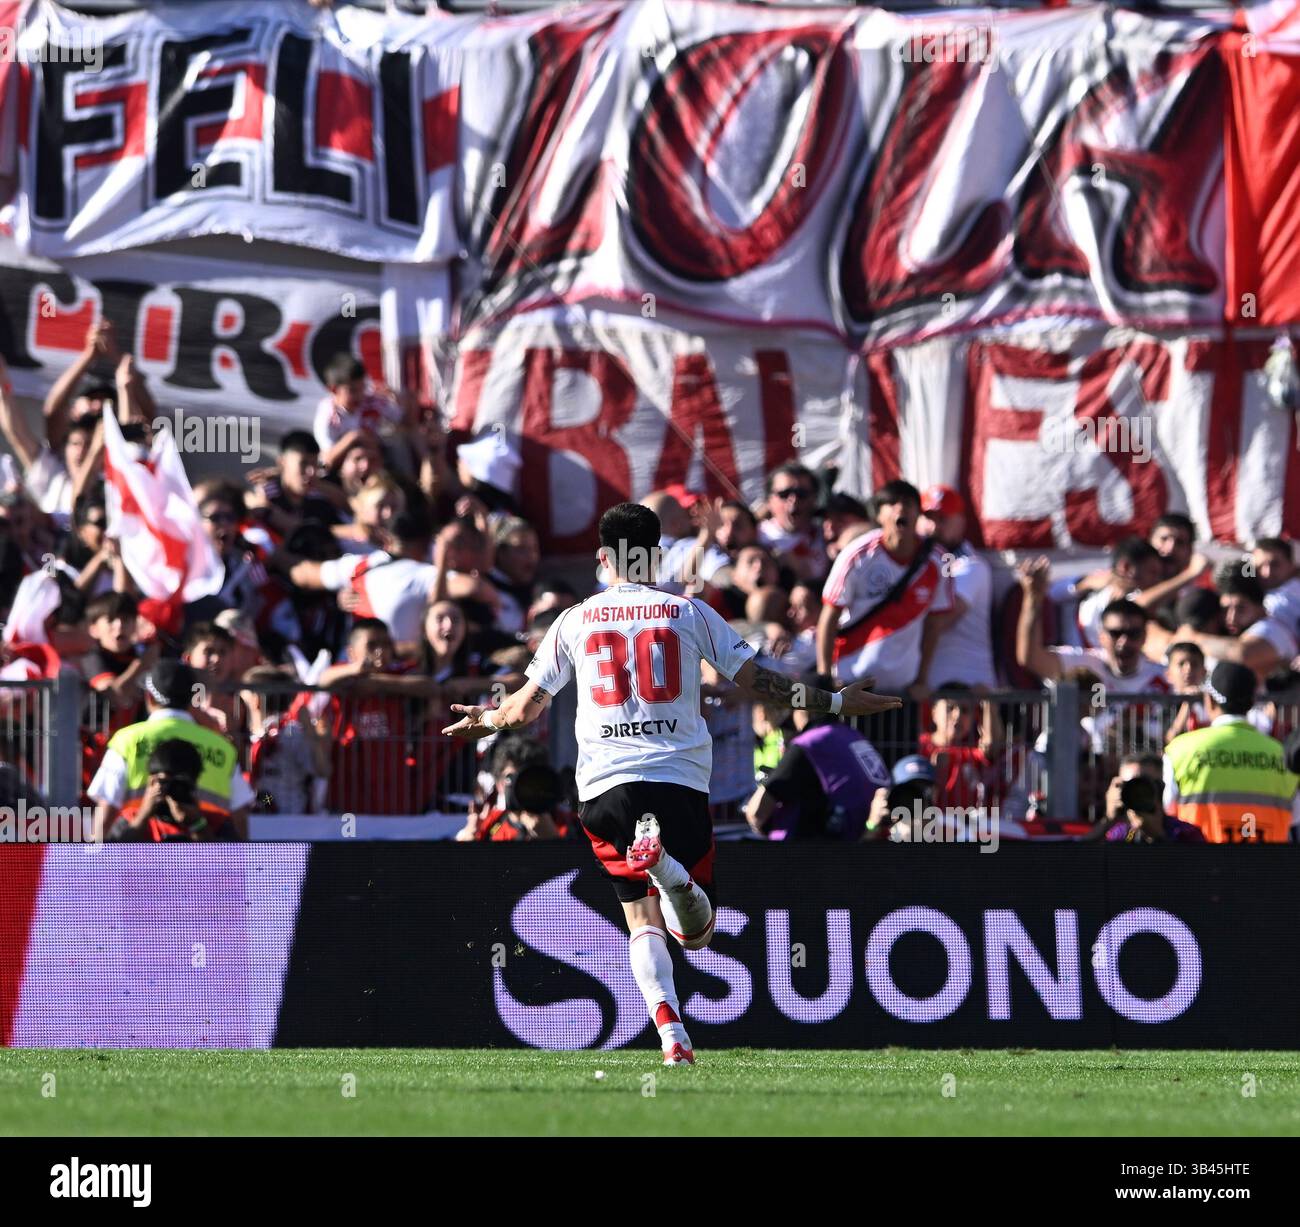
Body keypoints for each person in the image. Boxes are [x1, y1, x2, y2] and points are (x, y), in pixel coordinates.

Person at [442, 501, 900, 1066]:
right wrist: (833, 700)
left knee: (640, 919)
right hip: (678, 784)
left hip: (605, 791)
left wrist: (482, 720)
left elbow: (522, 711)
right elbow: (760, 682)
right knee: (697, 935)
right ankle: (667, 870)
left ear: (603, 559)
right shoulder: (688, 612)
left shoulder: (574, 620)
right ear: (656, 556)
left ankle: (671, 1033)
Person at [88, 659, 254, 840]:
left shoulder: (126, 741)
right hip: (204, 859)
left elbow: (105, 813)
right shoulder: (222, 749)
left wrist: (96, 861)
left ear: (149, 697)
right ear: (192, 699)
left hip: (140, 856)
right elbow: (240, 821)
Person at [1163, 660, 1298, 843]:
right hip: (1266, 868)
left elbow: (1165, 809)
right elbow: (1295, 817)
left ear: (1209, 700)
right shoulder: (1282, 755)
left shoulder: (1179, 750)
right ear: (1252, 702)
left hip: (1199, 866)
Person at [743, 697, 889, 839]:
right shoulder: (853, 735)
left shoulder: (810, 742)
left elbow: (756, 813)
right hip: (864, 829)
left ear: (803, 710)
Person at [917, 485, 996, 689]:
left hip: (969, 691)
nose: (933, 528)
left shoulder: (972, 567)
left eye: (942, 519)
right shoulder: (915, 565)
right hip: (928, 693)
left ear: (961, 522)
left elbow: (939, 622)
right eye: (929, 518)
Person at [104, 739, 240, 842]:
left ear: (194, 782)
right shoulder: (130, 820)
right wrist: (143, 815)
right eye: (166, 782)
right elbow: (112, 864)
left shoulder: (216, 823)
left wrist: (197, 825)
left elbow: (230, 869)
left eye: (180, 784)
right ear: (152, 781)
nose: (172, 791)